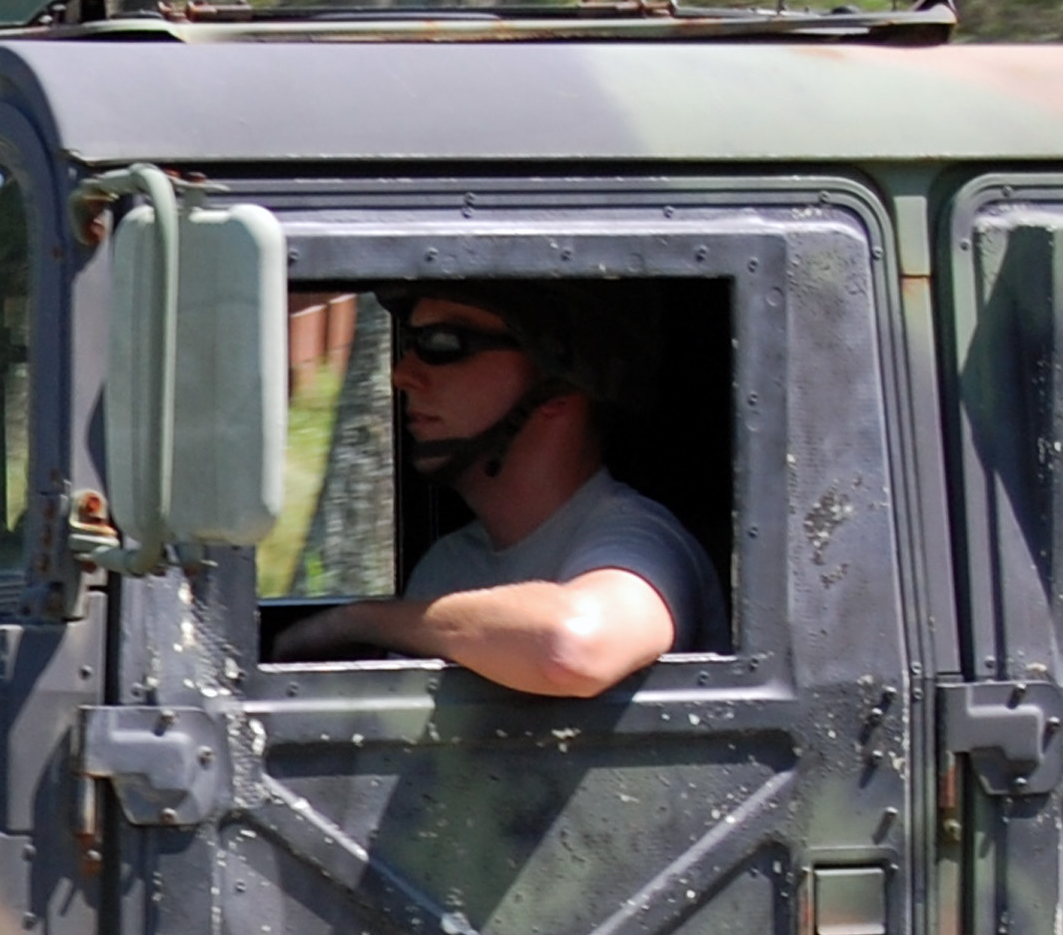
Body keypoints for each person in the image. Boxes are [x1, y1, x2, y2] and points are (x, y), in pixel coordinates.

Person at [276, 287, 726, 695]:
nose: (403, 374)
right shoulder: (449, 564)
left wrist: (361, 620)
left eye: (443, 345)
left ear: (561, 384)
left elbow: (571, 649)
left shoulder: (640, 541)